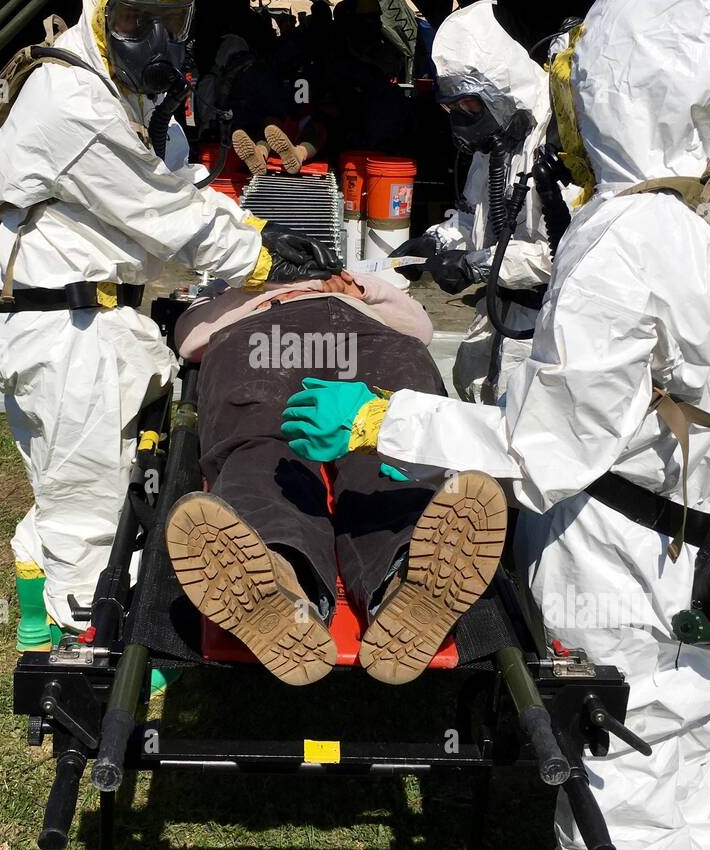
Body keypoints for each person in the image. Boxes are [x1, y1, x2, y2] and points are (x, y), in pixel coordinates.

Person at [281, 0, 710, 850]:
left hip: (642, 576)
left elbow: (543, 450)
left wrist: (384, 414)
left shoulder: (630, 238)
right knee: (697, 765)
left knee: (632, 793)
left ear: (603, 87)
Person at [0, 0, 337, 649]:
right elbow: (164, 216)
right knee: (88, 504)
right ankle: (86, 661)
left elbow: (179, 193)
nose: (153, 37)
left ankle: (33, 618)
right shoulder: (72, 103)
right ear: (97, 9)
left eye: (169, 20)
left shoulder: (129, 101)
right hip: (71, 334)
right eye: (132, 19)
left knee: (79, 486)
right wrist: (261, 254)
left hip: (101, 323)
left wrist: (245, 232)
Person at [165, 269, 506, 686]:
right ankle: (291, 580)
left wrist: (358, 288)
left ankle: (399, 581)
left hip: (362, 339)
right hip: (266, 338)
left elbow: (420, 327)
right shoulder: (233, 279)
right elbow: (191, 338)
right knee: (272, 448)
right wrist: (249, 289)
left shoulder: (363, 280)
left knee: (388, 445)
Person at [403, 2, 555, 401]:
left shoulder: (557, 144)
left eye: (467, 105)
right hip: (496, 308)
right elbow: (475, 219)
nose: (460, 118)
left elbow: (557, 254)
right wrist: (437, 242)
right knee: (471, 385)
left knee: (522, 414)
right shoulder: (493, 142)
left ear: (500, 89)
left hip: (541, 322)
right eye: (451, 108)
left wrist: (475, 268)